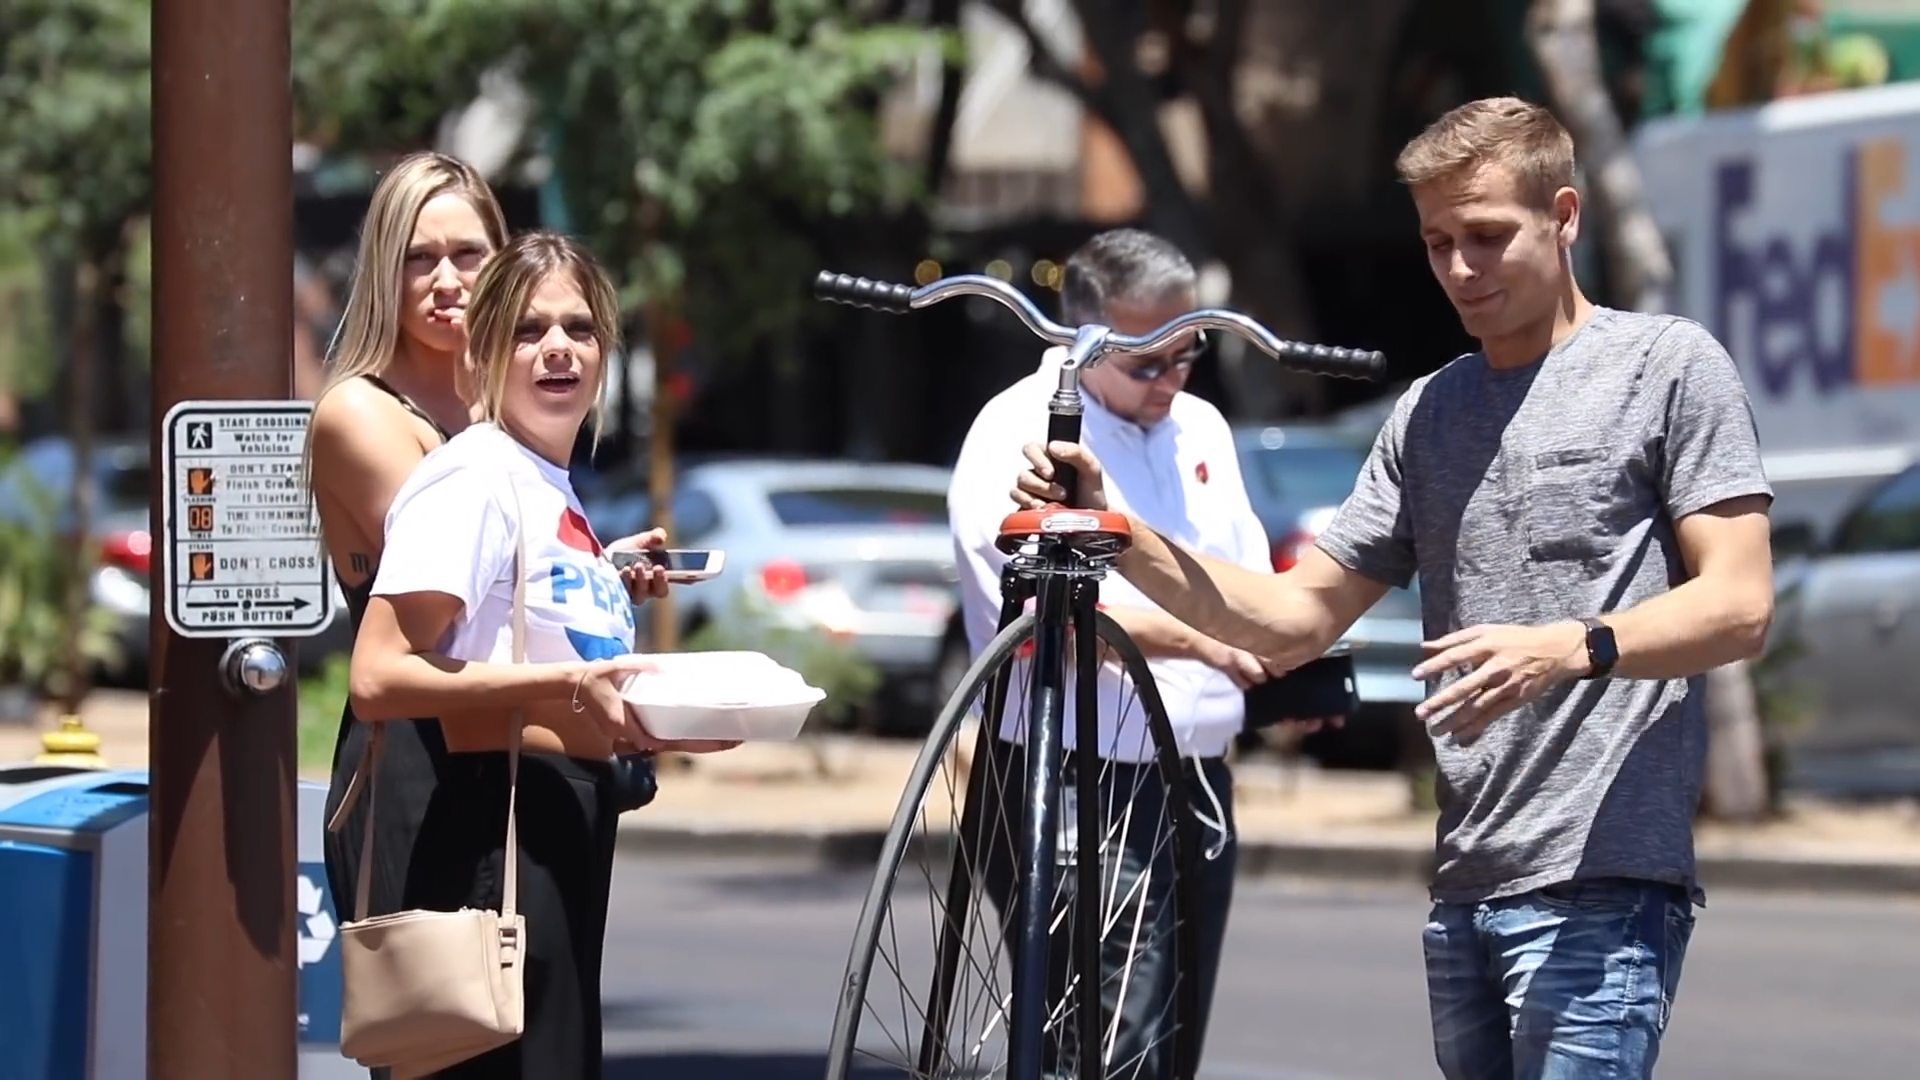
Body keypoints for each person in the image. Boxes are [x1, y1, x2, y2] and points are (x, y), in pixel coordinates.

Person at [1010, 97, 1775, 1080]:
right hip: (1466, 888)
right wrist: (1114, 531)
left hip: (1606, 886)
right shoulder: (1431, 414)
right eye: (1438, 241)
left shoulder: (1668, 368)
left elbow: (1741, 604)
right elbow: (1291, 616)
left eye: (1489, 237)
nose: (1462, 268)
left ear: (1567, 216)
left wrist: (1570, 645)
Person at [346, 230, 738, 1078]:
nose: (558, 348)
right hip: (495, 829)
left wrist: (600, 581)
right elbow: (378, 676)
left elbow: (504, 629)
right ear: (483, 351)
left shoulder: (542, 482)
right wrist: (571, 678)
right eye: (528, 330)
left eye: (580, 328)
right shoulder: (474, 477)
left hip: (563, 823)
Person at [948, 228, 1314, 1074]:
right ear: (1082, 336)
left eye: (1184, 353)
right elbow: (1041, 614)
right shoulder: (1015, 432)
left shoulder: (1203, 428)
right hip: (1076, 772)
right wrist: (1203, 644)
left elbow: (1245, 579)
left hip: (1194, 775)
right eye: (1144, 363)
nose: (1169, 380)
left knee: (1165, 1045)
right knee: (1105, 1047)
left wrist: (1285, 666)